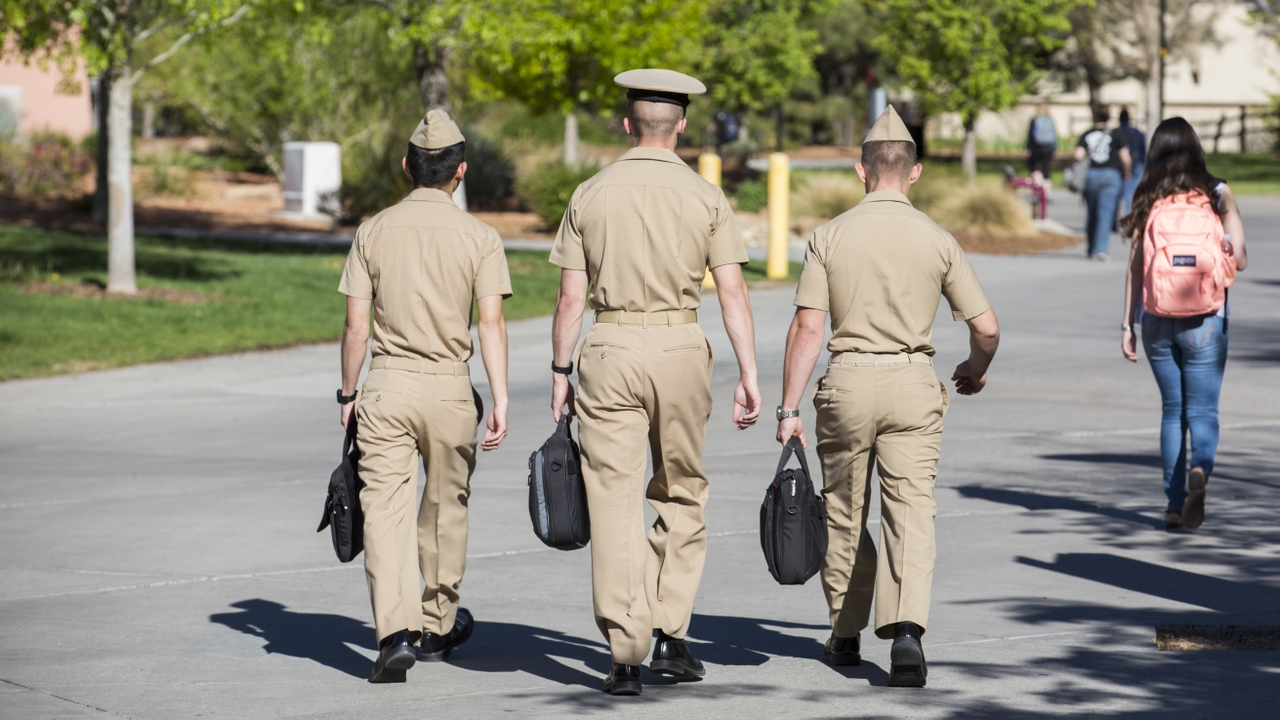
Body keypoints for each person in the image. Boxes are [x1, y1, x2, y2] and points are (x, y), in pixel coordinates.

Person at [548, 68, 762, 696]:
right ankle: (671, 634)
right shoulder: (706, 195)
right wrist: (749, 372)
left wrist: (561, 372)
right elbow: (732, 290)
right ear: (682, 127)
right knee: (680, 490)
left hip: (609, 344)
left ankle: (624, 651)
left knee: (611, 499)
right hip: (679, 344)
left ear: (626, 125)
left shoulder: (590, 192)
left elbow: (569, 297)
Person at [775, 106, 1000, 689]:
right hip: (911, 382)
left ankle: (845, 633)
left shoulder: (830, 236)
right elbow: (987, 328)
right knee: (910, 509)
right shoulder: (937, 239)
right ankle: (905, 632)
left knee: (845, 510)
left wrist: (787, 408)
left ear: (861, 170)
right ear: (916, 172)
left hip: (846, 379)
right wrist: (974, 370)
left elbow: (807, 327)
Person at [337, 110, 511, 683]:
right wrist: (502, 396)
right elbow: (490, 324)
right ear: (460, 171)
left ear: (407, 165)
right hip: (448, 387)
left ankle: (392, 634)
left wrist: (347, 391)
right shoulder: (481, 238)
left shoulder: (373, 231)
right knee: (444, 507)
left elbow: (356, 327)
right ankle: (436, 624)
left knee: (382, 510)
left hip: (385, 384)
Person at [1119, 117, 1248, 530]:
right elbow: (1240, 260)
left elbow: (1137, 267)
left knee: (1172, 412)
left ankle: (1174, 506)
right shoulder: (1217, 192)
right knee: (1203, 411)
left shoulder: (1150, 197)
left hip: (1157, 319)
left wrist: (1127, 325)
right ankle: (1201, 471)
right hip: (1207, 318)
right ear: (1196, 149)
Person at [1073, 105, 1132, 261]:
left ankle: (1091, 248)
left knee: (1092, 213)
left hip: (1091, 175)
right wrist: (1127, 172)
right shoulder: (1116, 134)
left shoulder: (1087, 134)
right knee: (1105, 213)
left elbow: (1078, 155)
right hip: (1111, 175)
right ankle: (1101, 250)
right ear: (1108, 117)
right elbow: (1125, 157)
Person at [1118, 107, 1147, 215]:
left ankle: (1114, 222)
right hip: (1138, 164)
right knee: (1131, 194)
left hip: (1120, 166)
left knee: (1116, 194)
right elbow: (1143, 151)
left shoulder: (1116, 132)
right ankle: (1129, 218)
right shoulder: (1138, 132)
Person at [1026, 103, 1057, 191]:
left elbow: (1031, 135)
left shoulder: (1035, 120)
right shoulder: (1050, 119)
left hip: (1037, 147)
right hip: (1049, 148)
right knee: (1046, 168)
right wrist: (1054, 148)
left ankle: (1037, 182)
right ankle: (1047, 191)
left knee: (1032, 165)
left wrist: (1029, 148)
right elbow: (1054, 135)